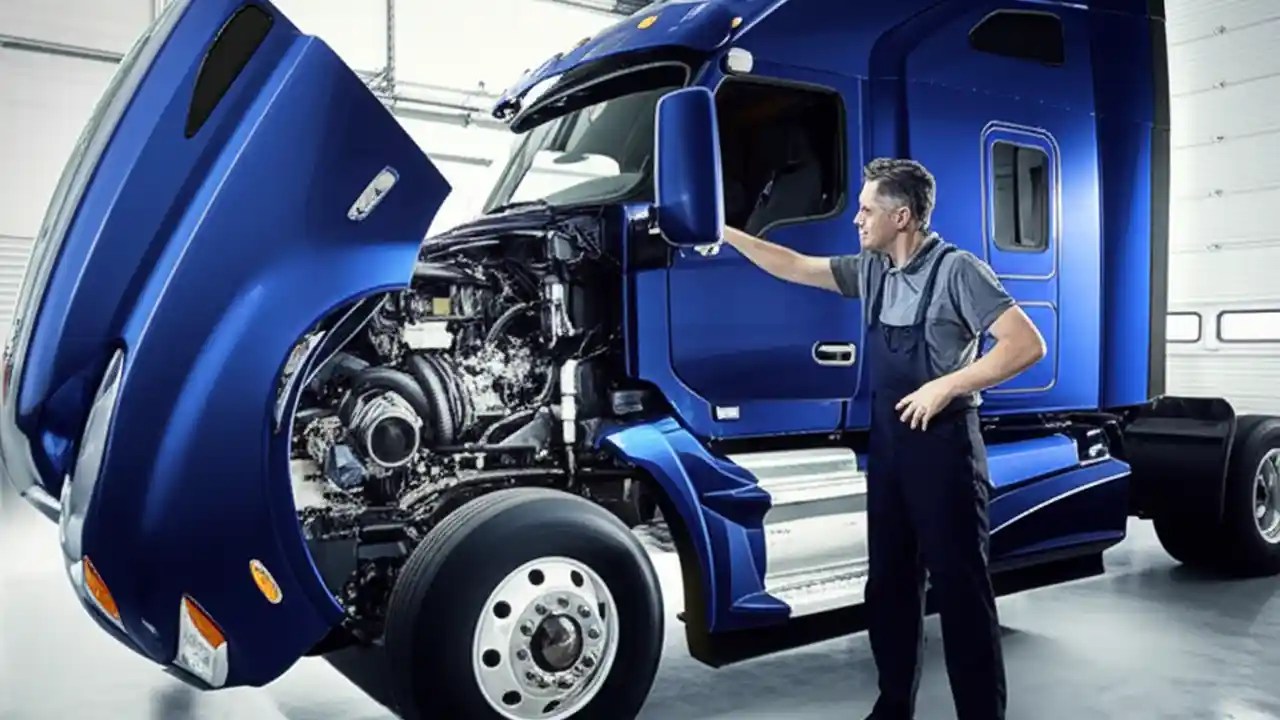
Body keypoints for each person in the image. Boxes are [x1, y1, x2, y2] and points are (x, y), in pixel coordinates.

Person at [719, 157, 1046, 720]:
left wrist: (946, 385)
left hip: (945, 450)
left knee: (961, 592)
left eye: (866, 209)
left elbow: (1025, 344)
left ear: (902, 216)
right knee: (890, 588)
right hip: (892, 452)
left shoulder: (958, 271)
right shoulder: (871, 271)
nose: (856, 220)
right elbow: (794, 266)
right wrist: (722, 232)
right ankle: (893, 706)